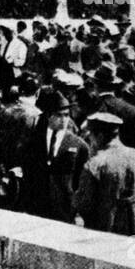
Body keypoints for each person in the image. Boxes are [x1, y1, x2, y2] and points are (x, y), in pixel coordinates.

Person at [73, 112, 135, 241]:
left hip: (108, 232)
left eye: (91, 136)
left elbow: (84, 205)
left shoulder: (95, 165)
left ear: (99, 137)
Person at [18, 88, 89, 221]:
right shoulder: (33, 138)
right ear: (48, 115)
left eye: (66, 115)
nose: (64, 120)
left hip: (64, 209)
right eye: (59, 115)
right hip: (35, 205)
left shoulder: (78, 145)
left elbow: (80, 181)